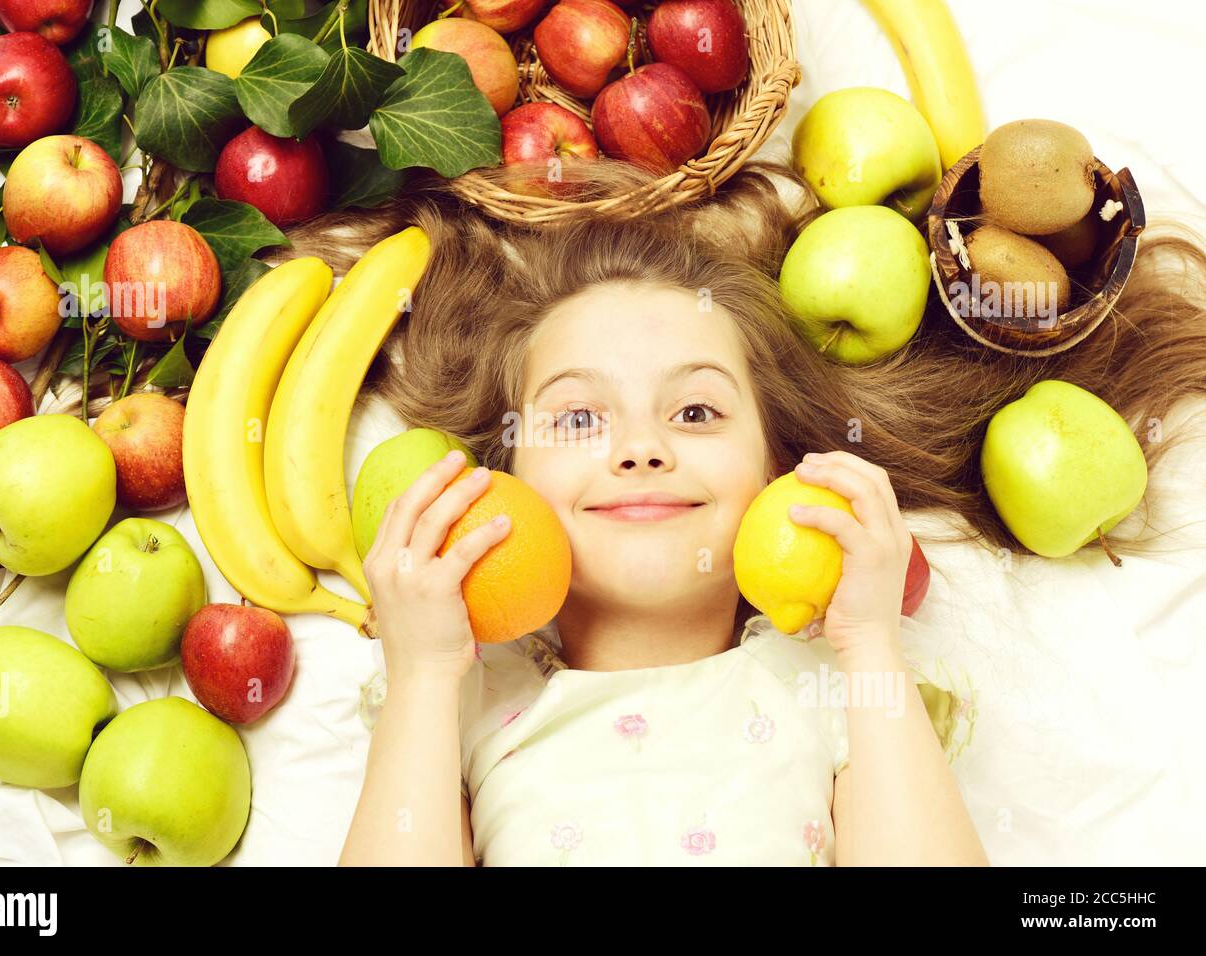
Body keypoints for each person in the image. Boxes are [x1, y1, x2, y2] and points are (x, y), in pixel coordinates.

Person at [297, 158, 1206, 866]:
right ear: (509, 473)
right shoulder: (464, 696)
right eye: (579, 417)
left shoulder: (825, 685)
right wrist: (421, 672)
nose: (641, 448)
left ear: (778, 470)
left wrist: (869, 641)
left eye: (695, 412)